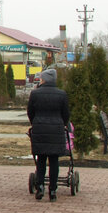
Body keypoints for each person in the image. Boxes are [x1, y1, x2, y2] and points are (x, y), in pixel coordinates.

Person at [27, 67, 71, 201]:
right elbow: (66, 114)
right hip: (56, 130)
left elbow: (30, 112)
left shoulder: (35, 94)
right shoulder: (61, 94)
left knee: (41, 160)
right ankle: (53, 190)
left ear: (44, 79)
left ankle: (40, 186)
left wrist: (36, 122)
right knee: (54, 161)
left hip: (39, 129)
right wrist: (61, 123)